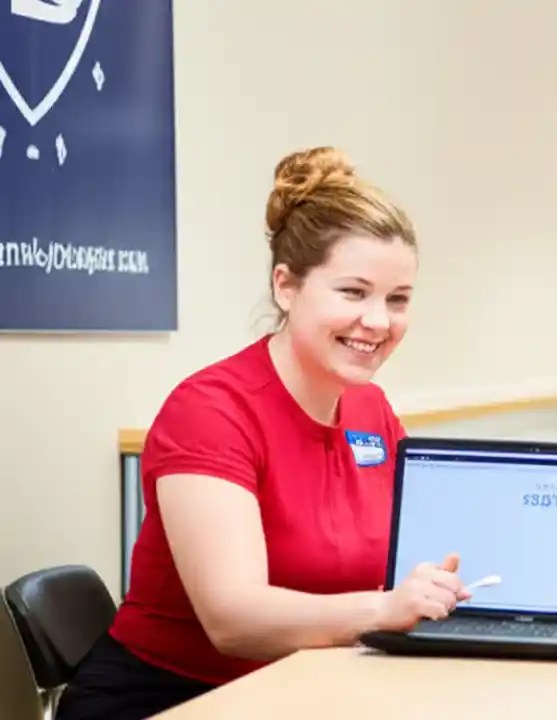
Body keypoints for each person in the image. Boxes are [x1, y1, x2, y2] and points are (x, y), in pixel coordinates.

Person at [56, 147, 470, 720]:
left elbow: (414, 554)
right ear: (285, 286)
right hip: (176, 699)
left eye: (397, 299)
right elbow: (234, 620)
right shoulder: (211, 411)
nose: (379, 321)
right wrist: (383, 610)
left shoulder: (371, 410)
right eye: (353, 292)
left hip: (307, 688)